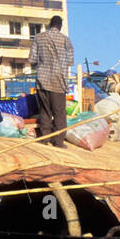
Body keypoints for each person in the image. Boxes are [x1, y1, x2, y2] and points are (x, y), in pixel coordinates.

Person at [28, 15, 73, 148]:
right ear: (60, 26)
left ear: (49, 24)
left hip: (42, 79)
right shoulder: (66, 41)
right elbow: (70, 61)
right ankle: (58, 142)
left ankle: (44, 138)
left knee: (45, 110)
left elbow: (32, 59)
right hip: (58, 81)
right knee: (59, 112)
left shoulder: (38, 38)